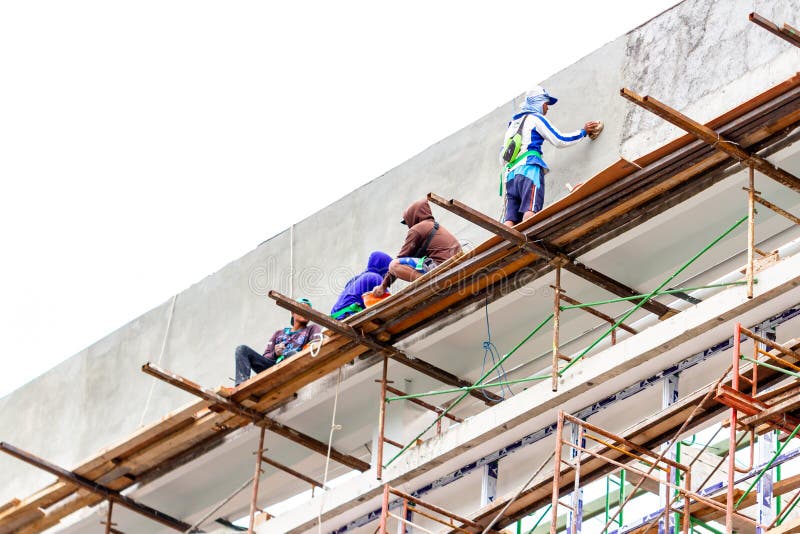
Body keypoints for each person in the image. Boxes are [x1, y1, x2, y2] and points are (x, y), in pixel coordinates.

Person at [499, 85, 602, 227]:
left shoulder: (511, 126)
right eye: (546, 104)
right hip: (529, 170)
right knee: (530, 210)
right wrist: (583, 132)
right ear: (538, 102)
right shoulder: (536, 118)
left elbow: (502, 158)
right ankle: (529, 239)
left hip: (510, 177)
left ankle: (510, 247)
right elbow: (559, 140)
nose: (547, 108)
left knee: (510, 220)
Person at [372, 199, 461, 296]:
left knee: (394, 265)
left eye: (407, 221)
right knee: (414, 262)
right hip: (456, 263)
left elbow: (401, 258)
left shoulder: (417, 229)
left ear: (414, 216)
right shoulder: (435, 226)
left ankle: (426, 283)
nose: (408, 225)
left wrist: (383, 286)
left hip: (441, 266)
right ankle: (425, 280)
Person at [233, 298, 321, 386]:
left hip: (294, 364)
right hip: (273, 367)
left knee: (292, 354)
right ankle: (241, 385)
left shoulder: (312, 328)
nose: (306, 312)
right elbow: (266, 356)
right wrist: (275, 354)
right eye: (303, 308)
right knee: (242, 349)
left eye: (309, 310)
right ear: (292, 312)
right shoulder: (279, 333)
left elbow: (315, 346)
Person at [330, 251, 392, 320]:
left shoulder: (354, 279)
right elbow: (389, 303)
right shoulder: (375, 277)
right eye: (390, 272)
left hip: (335, 317)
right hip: (347, 316)